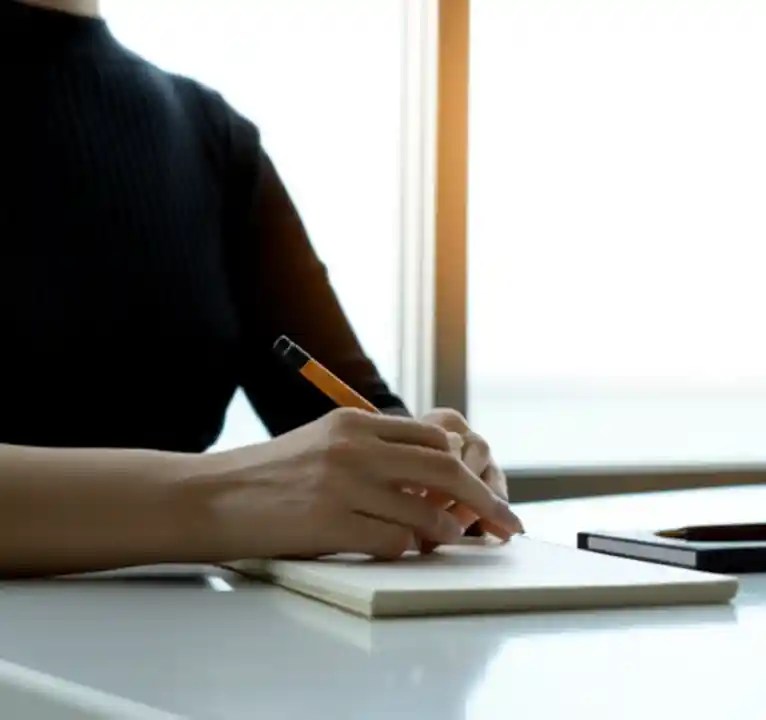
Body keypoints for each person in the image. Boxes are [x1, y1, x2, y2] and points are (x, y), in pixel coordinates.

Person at [0, 0, 523, 578]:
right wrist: (232, 495)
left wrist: (429, 464)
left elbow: (350, 409)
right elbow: (282, 480)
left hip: (189, 632)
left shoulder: (210, 135)